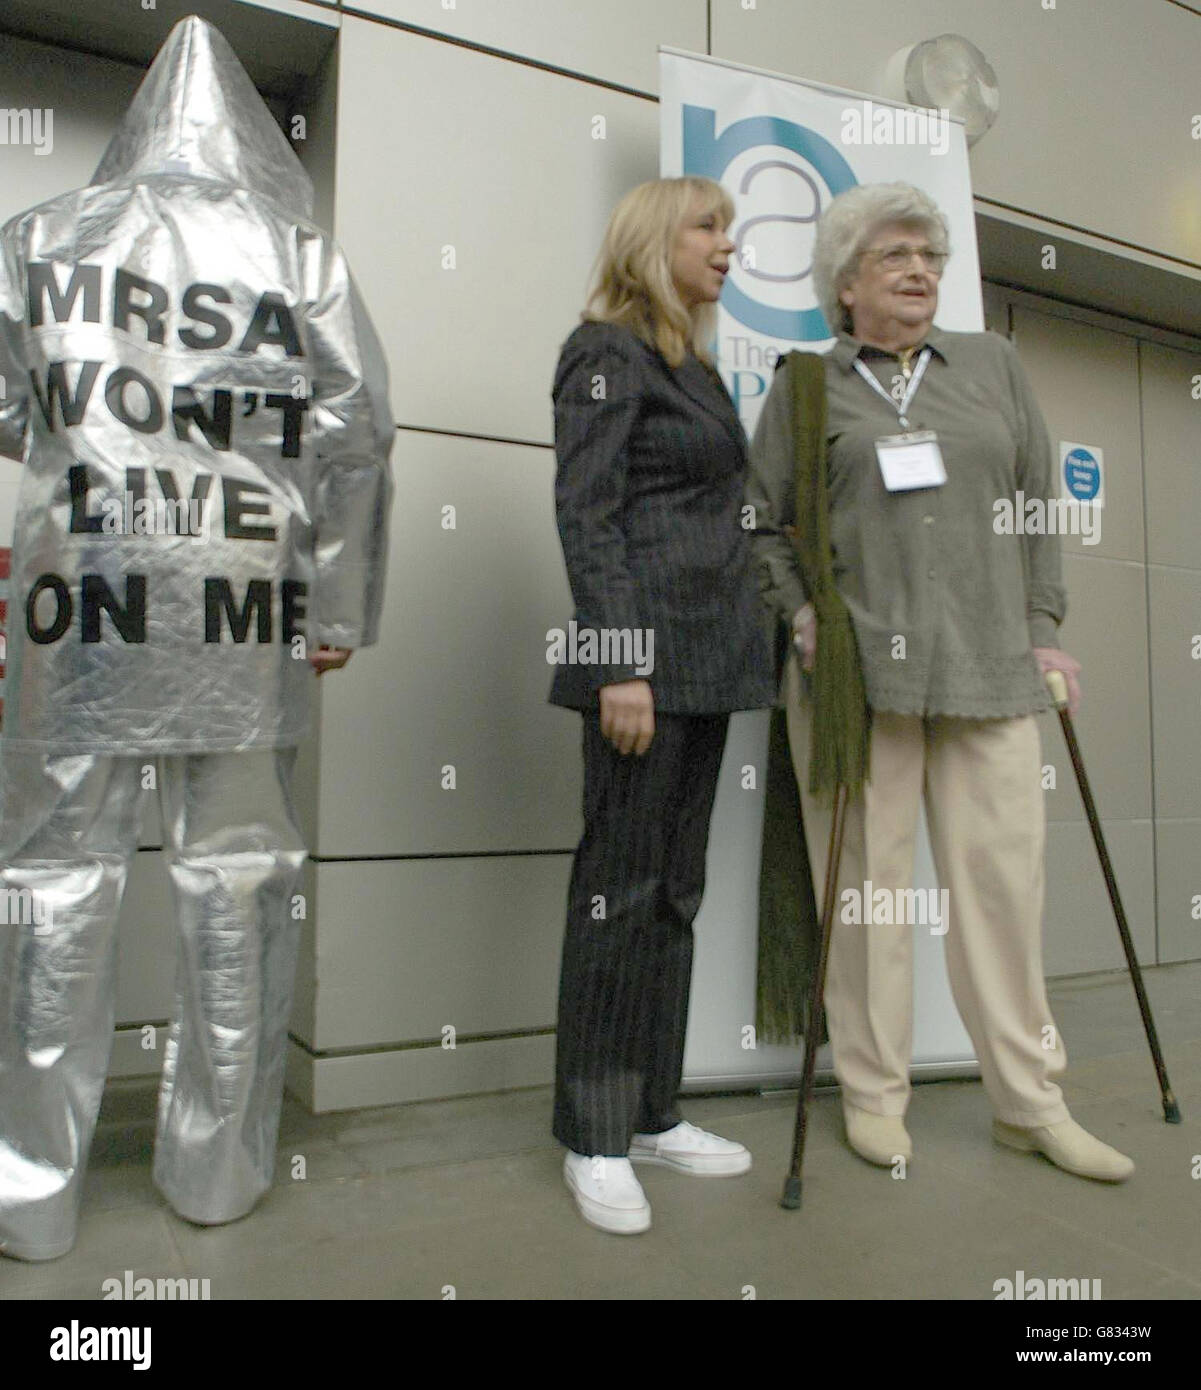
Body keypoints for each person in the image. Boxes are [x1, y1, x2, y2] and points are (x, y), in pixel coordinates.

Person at [0, 17, 394, 1261]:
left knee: (50, 884)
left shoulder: (38, 240)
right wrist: (337, 606)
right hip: (243, 616)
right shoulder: (299, 251)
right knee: (237, 885)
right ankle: (217, 1176)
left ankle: (29, 1195)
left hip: (80, 613)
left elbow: (12, 417)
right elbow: (362, 433)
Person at [746, 181, 1134, 1182]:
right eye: (894, 255)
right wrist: (798, 614)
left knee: (1002, 890)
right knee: (868, 896)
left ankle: (1029, 1101)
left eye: (929, 253)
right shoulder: (802, 386)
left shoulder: (993, 366)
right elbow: (760, 525)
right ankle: (873, 1095)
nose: (919, 270)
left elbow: (1037, 505)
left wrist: (1042, 630)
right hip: (853, 682)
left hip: (991, 666)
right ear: (845, 282)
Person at [549, 176, 776, 1233]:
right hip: (643, 670)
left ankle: (648, 1111)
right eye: (709, 227)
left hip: (711, 665)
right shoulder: (606, 353)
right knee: (620, 890)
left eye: (729, 228)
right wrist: (618, 664)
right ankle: (592, 1136)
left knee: (674, 893)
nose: (728, 246)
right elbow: (588, 515)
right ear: (654, 241)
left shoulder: (695, 366)